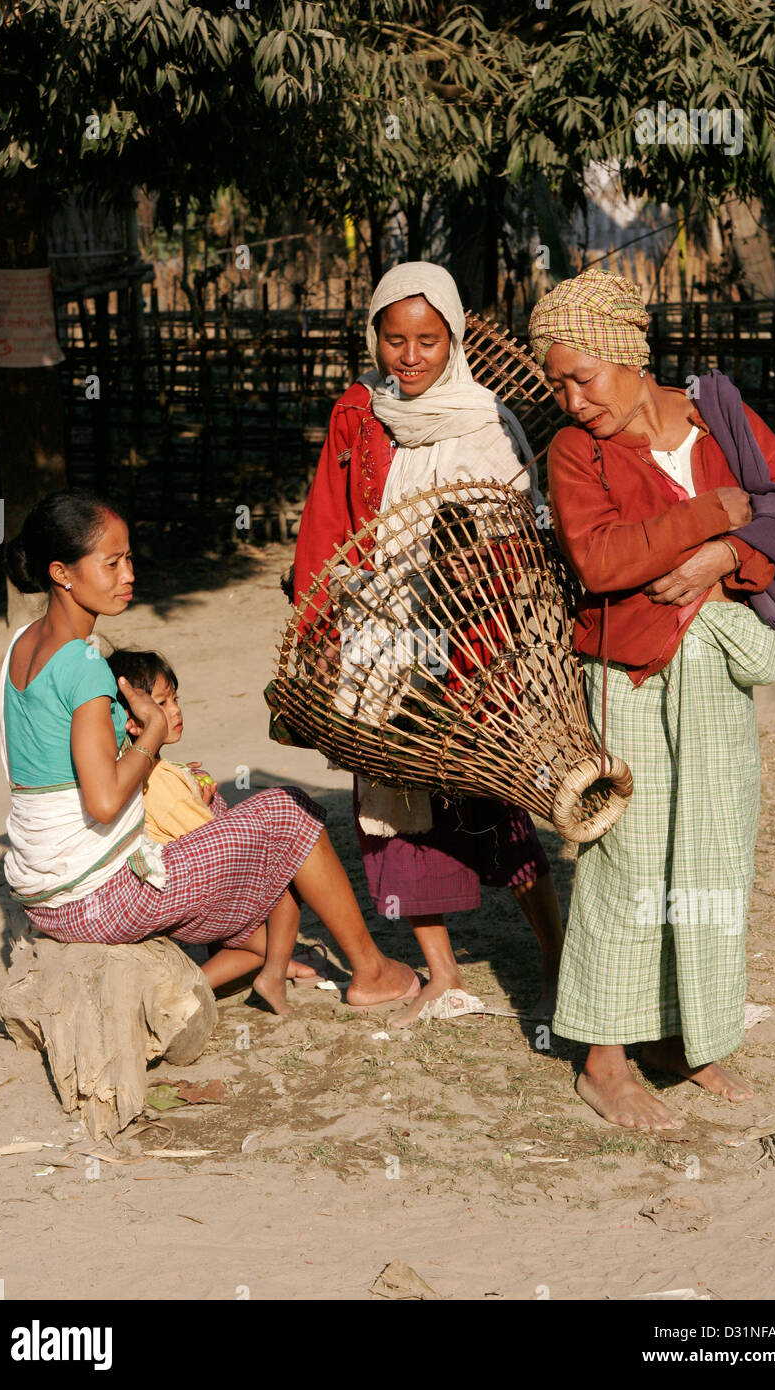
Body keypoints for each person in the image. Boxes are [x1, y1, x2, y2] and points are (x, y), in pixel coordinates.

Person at [529, 266, 775, 1131]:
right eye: (557, 383)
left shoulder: (715, 411)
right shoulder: (577, 451)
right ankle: (603, 1062)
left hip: (715, 672)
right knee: (628, 861)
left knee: (712, 859)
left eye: (584, 376)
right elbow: (604, 562)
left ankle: (685, 1037)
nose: (574, 399)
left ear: (627, 354)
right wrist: (712, 515)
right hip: (628, 674)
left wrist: (727, 558)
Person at [0, 491, 417, 1009]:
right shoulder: (83, 667)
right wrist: (150, 732)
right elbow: (104, 802)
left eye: (129, 558)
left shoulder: (22, 643)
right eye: (111, 563)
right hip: (96, 899)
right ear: (61, 572)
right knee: (290, 809)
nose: (129, 574)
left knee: (216, 805)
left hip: (43, 893)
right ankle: (371, 971)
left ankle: (266, 954)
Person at [293, 261, 565, 1025]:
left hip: (471, 647)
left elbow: (518, 539)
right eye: (394, 340)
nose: (409, 358)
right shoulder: (360, 417)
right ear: (374, 337)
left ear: (454, 339)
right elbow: (328, 527)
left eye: (428, 340)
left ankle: (555, 957)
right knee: (393, 803)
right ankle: (441, 969)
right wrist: (326, 633)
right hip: (382, 642)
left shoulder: (486, 425)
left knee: (494, 801)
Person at [106, 646, 324, 1010]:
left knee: (266, 941)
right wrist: (202, 805)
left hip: (183, 893)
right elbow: (208, 840)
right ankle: (271, 969)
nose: (175, 710)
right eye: (161, 703)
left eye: (175, 698)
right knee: (287, 868)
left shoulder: (144, 769)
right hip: (198, 896)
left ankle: (239, 975)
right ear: (132, 721)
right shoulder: (160, 780)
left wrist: (197, 794)